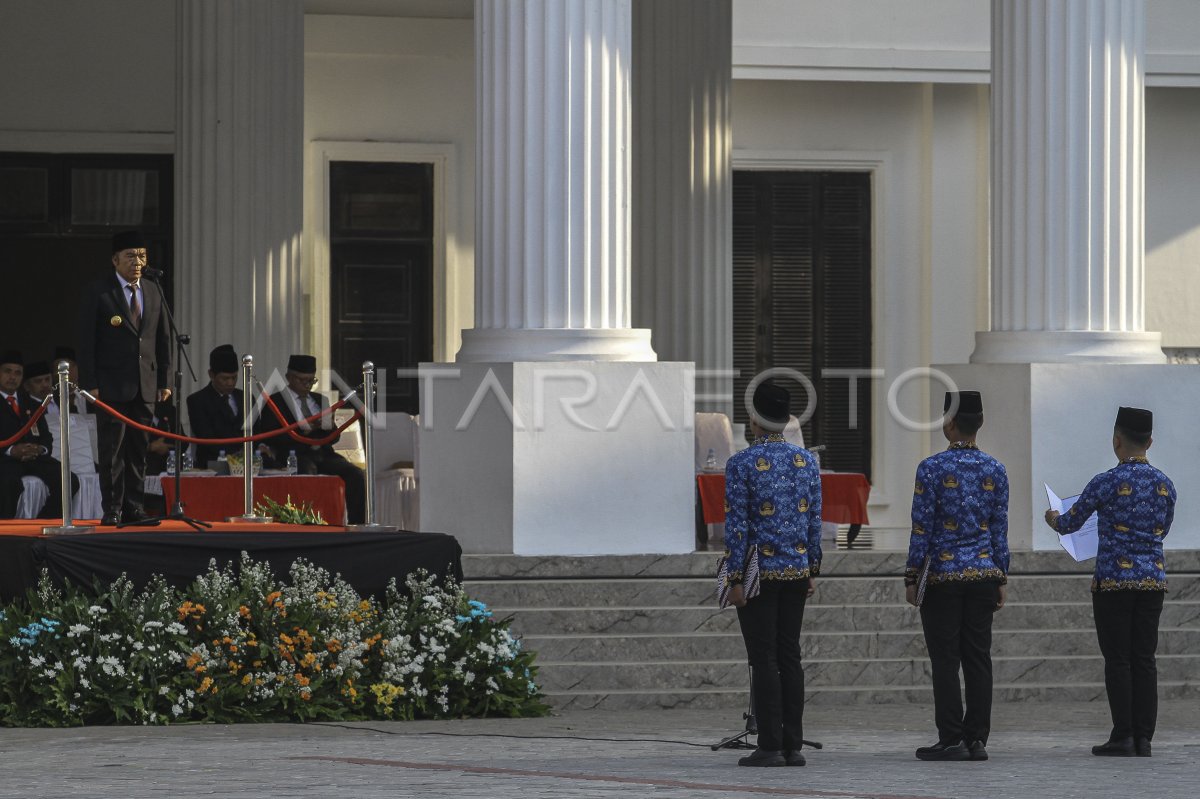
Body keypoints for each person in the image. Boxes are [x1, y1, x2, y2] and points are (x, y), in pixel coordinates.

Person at [1044, 406, 1175, 758]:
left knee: (1118, 659)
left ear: (1116, 441)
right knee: (1144, 658)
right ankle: (1144, 738)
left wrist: (1052, 517)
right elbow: (1164, 528)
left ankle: (1123, 734)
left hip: (1113, 583)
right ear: (1150, 441)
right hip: (1151, 583)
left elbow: (1070, 523)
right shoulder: (1165, 485)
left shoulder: (1105, 482)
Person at [905, 390, 1009, 762]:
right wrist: (1001, 575)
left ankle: (951, 737)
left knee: (946, 659)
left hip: (944, 577)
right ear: (979, 423)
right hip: (983, 573)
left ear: (948, 423)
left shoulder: (931, 469)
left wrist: (911, 574)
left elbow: (922, 528)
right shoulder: (996, 469)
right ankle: (977, 738)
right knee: (978, 658)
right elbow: (999, 528)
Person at [722, 381, 822, 767]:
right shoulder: (805, 462)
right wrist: (812, 568)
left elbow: (737, 527)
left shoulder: (742, 463)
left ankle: (768, 744)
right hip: (796, 571)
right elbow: (814, 522)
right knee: (789, 655)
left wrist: (733, 579)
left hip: (758, 574)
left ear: (754, 419)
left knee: (763, 658)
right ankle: (792, 744)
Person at [77, 230, 172, 525]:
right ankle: (113, 508)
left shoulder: (153, 289)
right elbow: (86, 341)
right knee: (112, 451)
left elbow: (162, 339)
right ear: (115, 259)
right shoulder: (100, 291)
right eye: (131, 256)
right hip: (110, 387)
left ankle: (135, 506)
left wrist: (164, 381)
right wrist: (91, 383)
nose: (138, 262)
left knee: (138, 450)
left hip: (145, 385)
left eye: (142, 255)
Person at [256, 354, 366, 524]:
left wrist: (326, 426)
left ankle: (356, 525)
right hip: (293, 455)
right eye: (302, 380)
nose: (307, 385)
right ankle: (308, 525)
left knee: (356, 475)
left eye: (311, 381)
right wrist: (304, 429)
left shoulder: (320, 400)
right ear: (289, 378)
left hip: (323, 453)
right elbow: (272, 435)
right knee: (308, 473)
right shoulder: (275, 401)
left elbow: (333, 437)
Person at [0, 351, 75, 519]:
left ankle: (44, 522)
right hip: (6, 459)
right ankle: (5, 531)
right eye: (7, 371)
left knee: (69, 481)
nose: (12, 377)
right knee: (8, 484)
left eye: (17, 373)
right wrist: (11, 450)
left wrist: (40, 449)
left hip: (35, 457)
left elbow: (46, 436)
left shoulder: (30, 401)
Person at [187, 344, 248, 468]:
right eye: (225, 379)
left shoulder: (246, 397)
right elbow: (205, 437)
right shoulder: (197, 400)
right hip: (212, 465)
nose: (230, 383)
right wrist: (234, 454)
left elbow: (255, 430)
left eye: (234, 377)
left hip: (245, 464)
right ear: (211, 374)